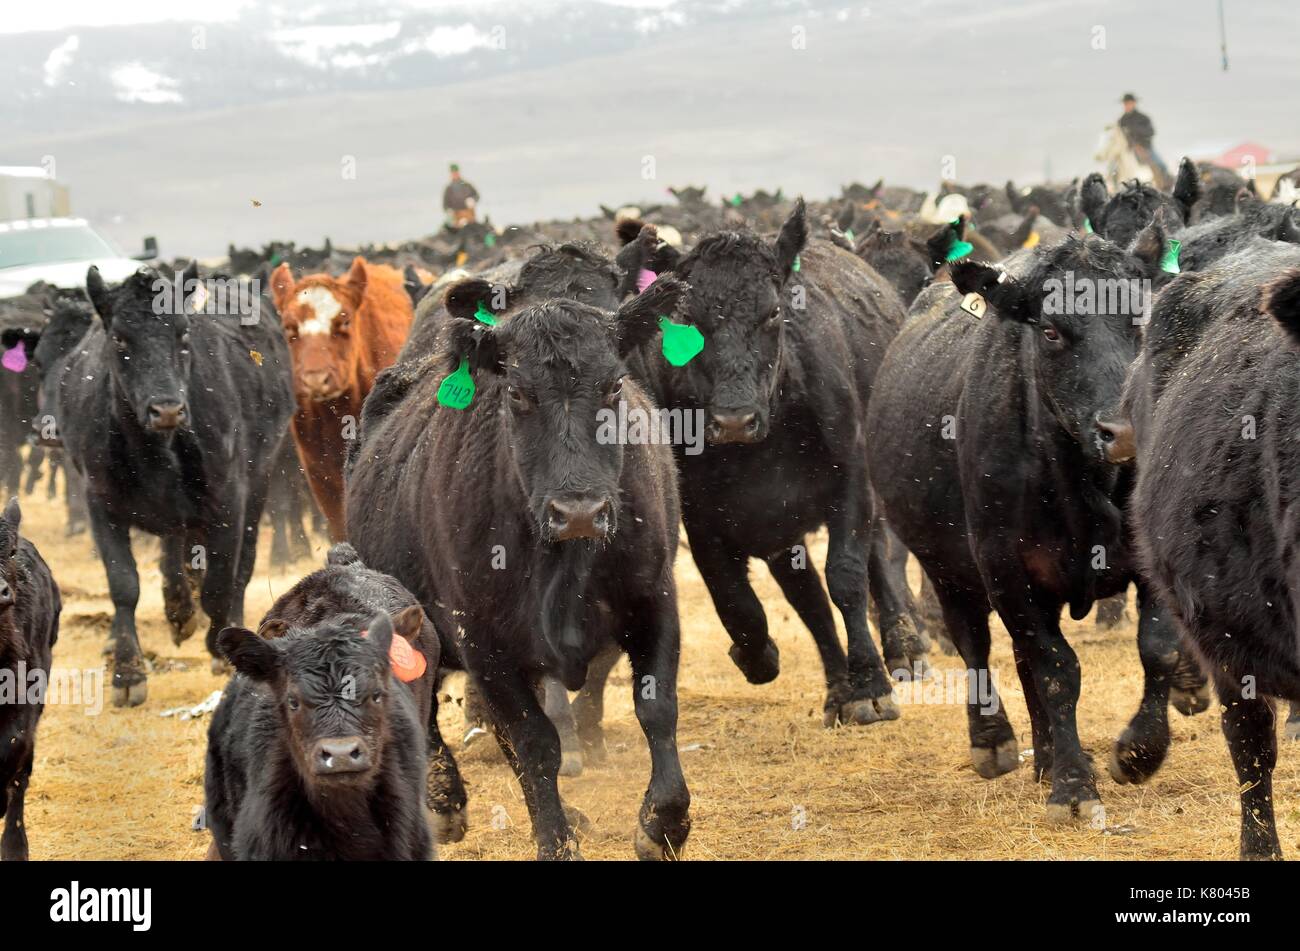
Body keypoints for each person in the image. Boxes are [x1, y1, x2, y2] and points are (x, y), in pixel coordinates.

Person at [1118, 93, 1169, 187]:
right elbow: (1121, 137)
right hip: (1130, 150)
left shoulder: (1143, 118)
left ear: (1134, 103)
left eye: (1129, 103)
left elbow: (1151, 132)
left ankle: (1166, 185)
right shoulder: (1121, 120)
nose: (1127, 106)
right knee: (1115, 167)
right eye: (1125, 104)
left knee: (1162, 165)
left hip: (1146, 147)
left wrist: (1135, 130)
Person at [443, 163, 479, 228]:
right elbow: (445, 204)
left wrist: (473, 200)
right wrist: (449, 211)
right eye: (453, 173)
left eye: (456, 172)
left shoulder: (467, 185)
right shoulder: (449, 189)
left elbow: (477, 196)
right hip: (456, 216)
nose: (455, 174)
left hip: (469, 215)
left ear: (459, 172)